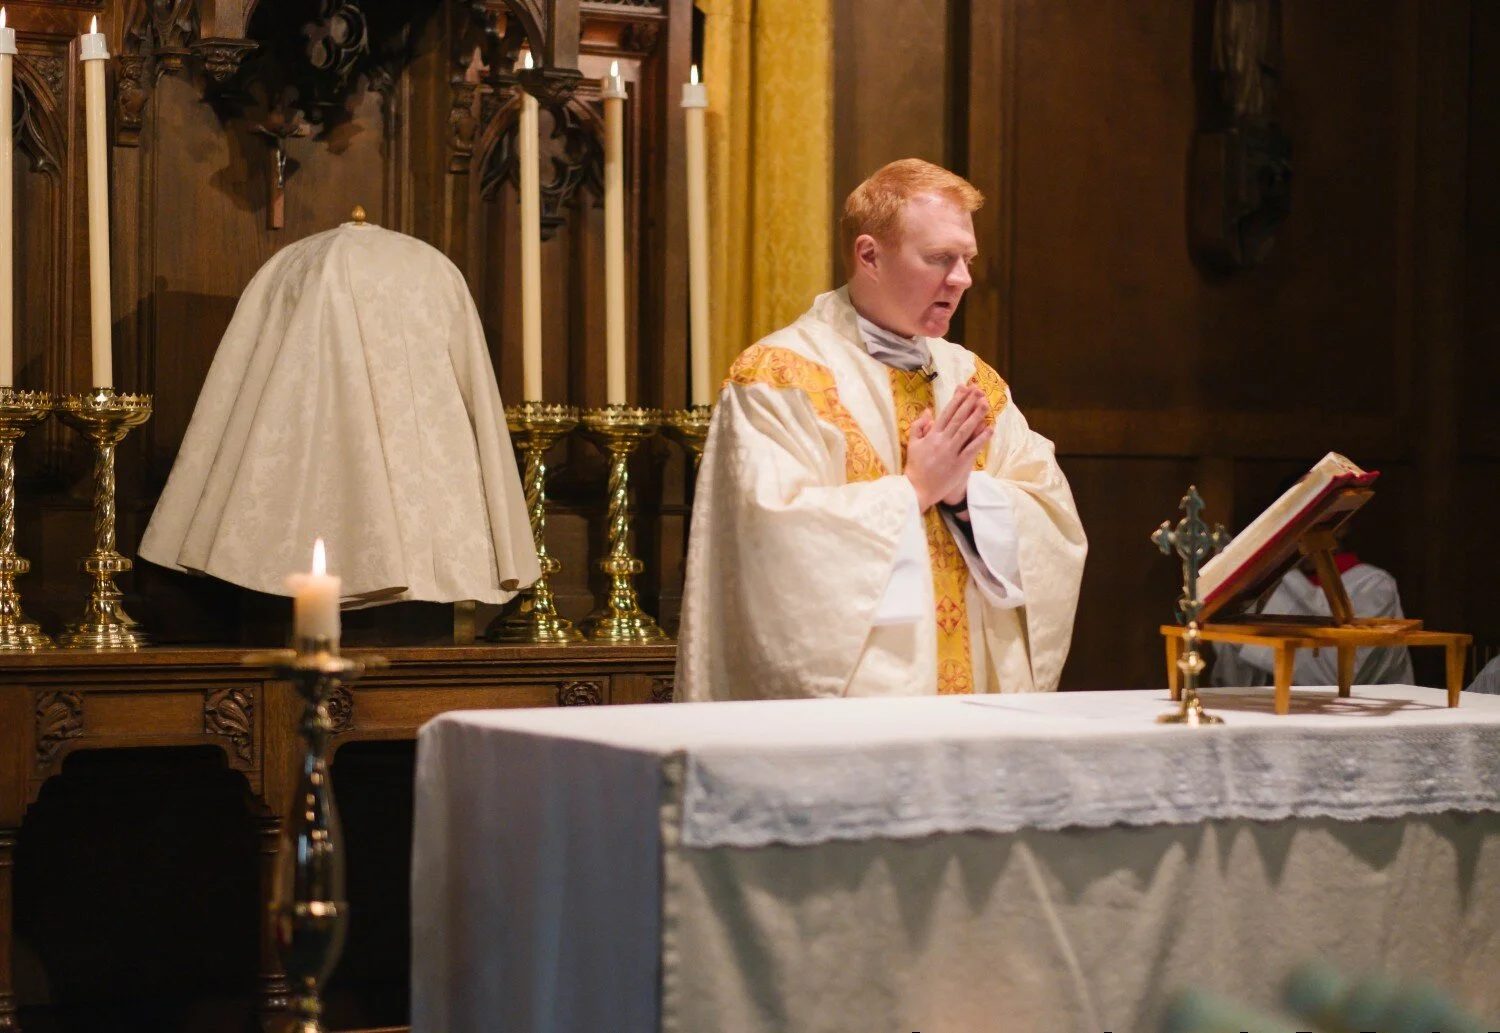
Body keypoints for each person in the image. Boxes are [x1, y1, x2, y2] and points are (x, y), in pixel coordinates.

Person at [675, 159, 1088, 701]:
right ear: (869, 255)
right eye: (940, 258)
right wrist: (914, 490)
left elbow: (1053, 519)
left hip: (979, 703)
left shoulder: (974, 381)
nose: (962, 278)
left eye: (966, 258)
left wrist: (966, 494)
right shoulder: (781, 377)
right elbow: (768, 544)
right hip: (859, 708)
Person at [1210, 551, 1415, 687]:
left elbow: (1338, 678)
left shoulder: (1372, 585)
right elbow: (1232, 680)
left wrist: (1281, 578)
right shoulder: (1262, 589)